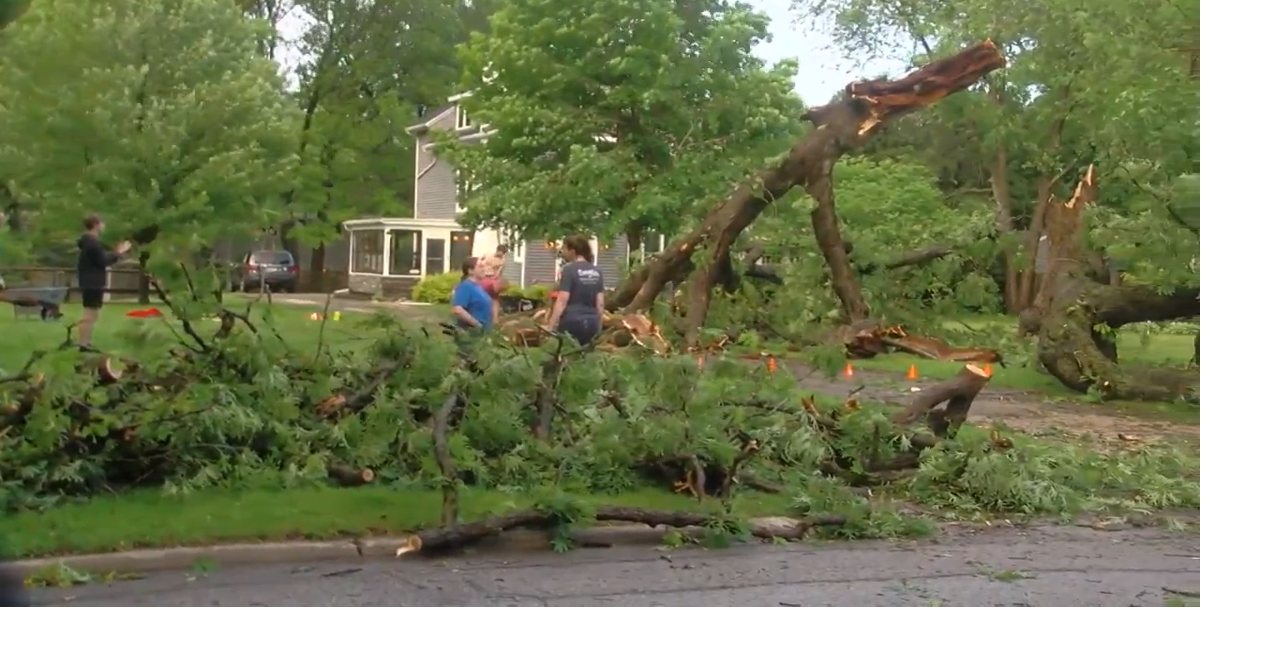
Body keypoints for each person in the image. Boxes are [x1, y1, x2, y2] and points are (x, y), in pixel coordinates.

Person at [76, 214, 130, 353]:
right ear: (96, 224)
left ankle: (85, 342)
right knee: (90, 312)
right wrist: (118, 253)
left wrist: (115, 254)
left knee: (92, 313)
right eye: (102, 223)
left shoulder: (89, 242)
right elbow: (103, 261)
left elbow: (102, 258)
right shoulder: (92, 243)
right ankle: (83, 343)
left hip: (90, 280)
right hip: (92, 281)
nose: (104, 226)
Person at [546, 234, 603, 346]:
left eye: (564, 248)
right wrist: (598, 327)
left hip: (572, 322)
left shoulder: (569, 270)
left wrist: (551, 326)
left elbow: (562, 300)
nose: (562, 251)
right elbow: (600, 304)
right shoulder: (597, 272)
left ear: (572, 250)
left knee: (566, 355)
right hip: (592, 322)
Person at [451, 256, 496, 333]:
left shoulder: (478, 287)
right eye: (480, 266)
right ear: (470, 271)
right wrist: (477, 325)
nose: (484, 269)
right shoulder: (466, 286)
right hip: (470, 335)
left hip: (483, 334)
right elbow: (458, 310)